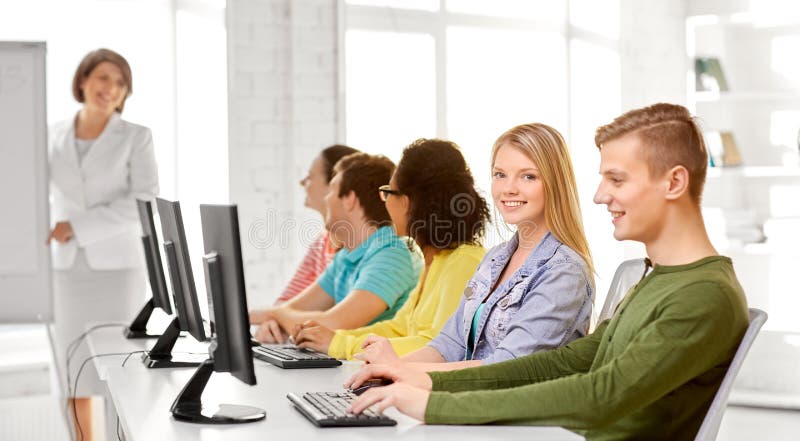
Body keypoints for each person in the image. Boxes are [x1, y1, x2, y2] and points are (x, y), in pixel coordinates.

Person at [346, 103, 750, 441]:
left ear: (674, 182)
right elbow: (559, 365)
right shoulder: (658, 279)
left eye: (617, 179)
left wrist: (434, 403)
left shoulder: (703, 295)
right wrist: (424, 382)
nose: (599, 195)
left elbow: (599, 395)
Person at [353, 123, 595, 371]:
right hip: (465, 398)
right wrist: (384, 368)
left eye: (528, 176)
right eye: (500, 174)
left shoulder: (565, 271)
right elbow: (450, 344)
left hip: (513, 407)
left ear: (555, 184)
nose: (508, 188)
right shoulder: (496, 258)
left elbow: (505, 368)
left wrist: (399, 369)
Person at [290, 139, 489, 359]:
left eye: (387, 192)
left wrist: (339, 344)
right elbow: (398, 329)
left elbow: (438, 347)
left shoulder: (463, 263)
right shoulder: (435, 261)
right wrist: (332, 336)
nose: (383, 202)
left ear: (406, 202)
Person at [48, 49, 159, 440]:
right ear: (82, 81)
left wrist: (77, 226)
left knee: (117, 369)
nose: (110, 88)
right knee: (71, 372)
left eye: (119, 82)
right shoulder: (53, 135)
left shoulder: (135, 137)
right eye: (102, 78)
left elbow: (143, 201)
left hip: (118, 270)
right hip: (64, 271)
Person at [249, 153, 422, 342]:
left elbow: (332, 324)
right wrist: (273, 321)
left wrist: (278, 316)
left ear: (349, 199)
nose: (326, 200)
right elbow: (296, 309)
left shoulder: (393, 254)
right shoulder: (348, 256)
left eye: (331, 190)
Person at [273, 144, 359, 304]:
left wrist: (278, 317)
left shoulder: (360, 248)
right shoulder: (322, 241)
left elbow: (334, 316)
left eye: (310, 176)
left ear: (335, 185)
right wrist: (272, 321)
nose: (302, 182)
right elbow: (286, 301)